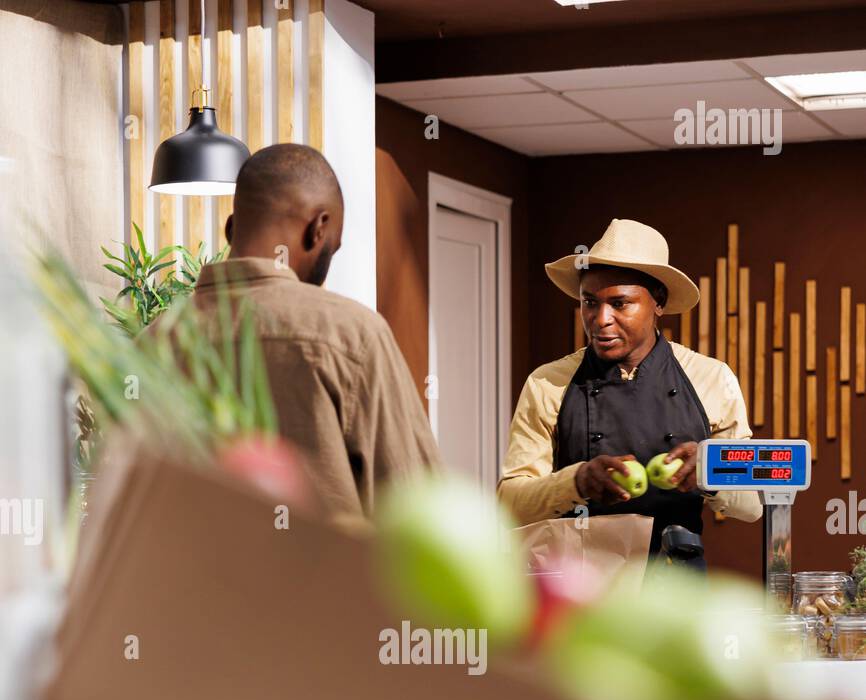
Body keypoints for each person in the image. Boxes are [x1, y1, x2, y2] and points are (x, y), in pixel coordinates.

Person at [184, 143, 440, 516]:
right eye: (333, 248)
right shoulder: (353, 336)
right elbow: (421, 509)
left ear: (230, 229)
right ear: (318, 228)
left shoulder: (151, 344)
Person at [499, 219, 762, 567]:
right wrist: (576, 481)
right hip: (579, 586)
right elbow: (510, 503)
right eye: (589, 302)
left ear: (659, 302)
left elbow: (752, 508)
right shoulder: (548, 383)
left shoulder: (711, 378)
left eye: (620, 304)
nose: (600, 319)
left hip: (675, 582)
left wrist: (710, 471)